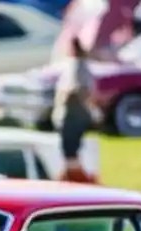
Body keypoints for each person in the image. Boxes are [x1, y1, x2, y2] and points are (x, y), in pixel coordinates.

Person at [53, 37, 97, 183]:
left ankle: (75, 178)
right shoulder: (78, 66)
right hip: (74, 113)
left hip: (73, 114)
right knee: (71, 149)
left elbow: (77, 89)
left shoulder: (77, 67)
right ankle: (70, 176)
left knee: (70, 149)